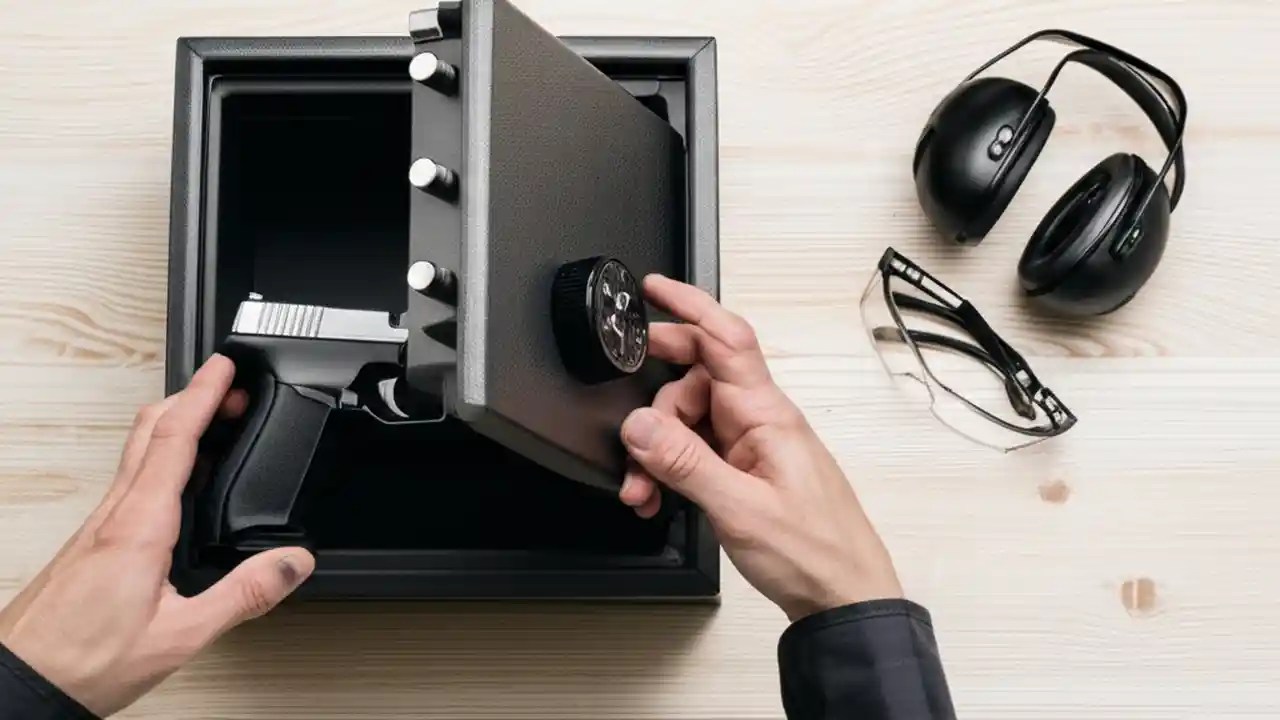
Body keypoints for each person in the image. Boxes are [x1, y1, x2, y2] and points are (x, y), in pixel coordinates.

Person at [0, 275, 954, 719]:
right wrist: (852, 606)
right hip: (305, 372)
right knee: (284, 450)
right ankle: (249, 525)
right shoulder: (316, 372)